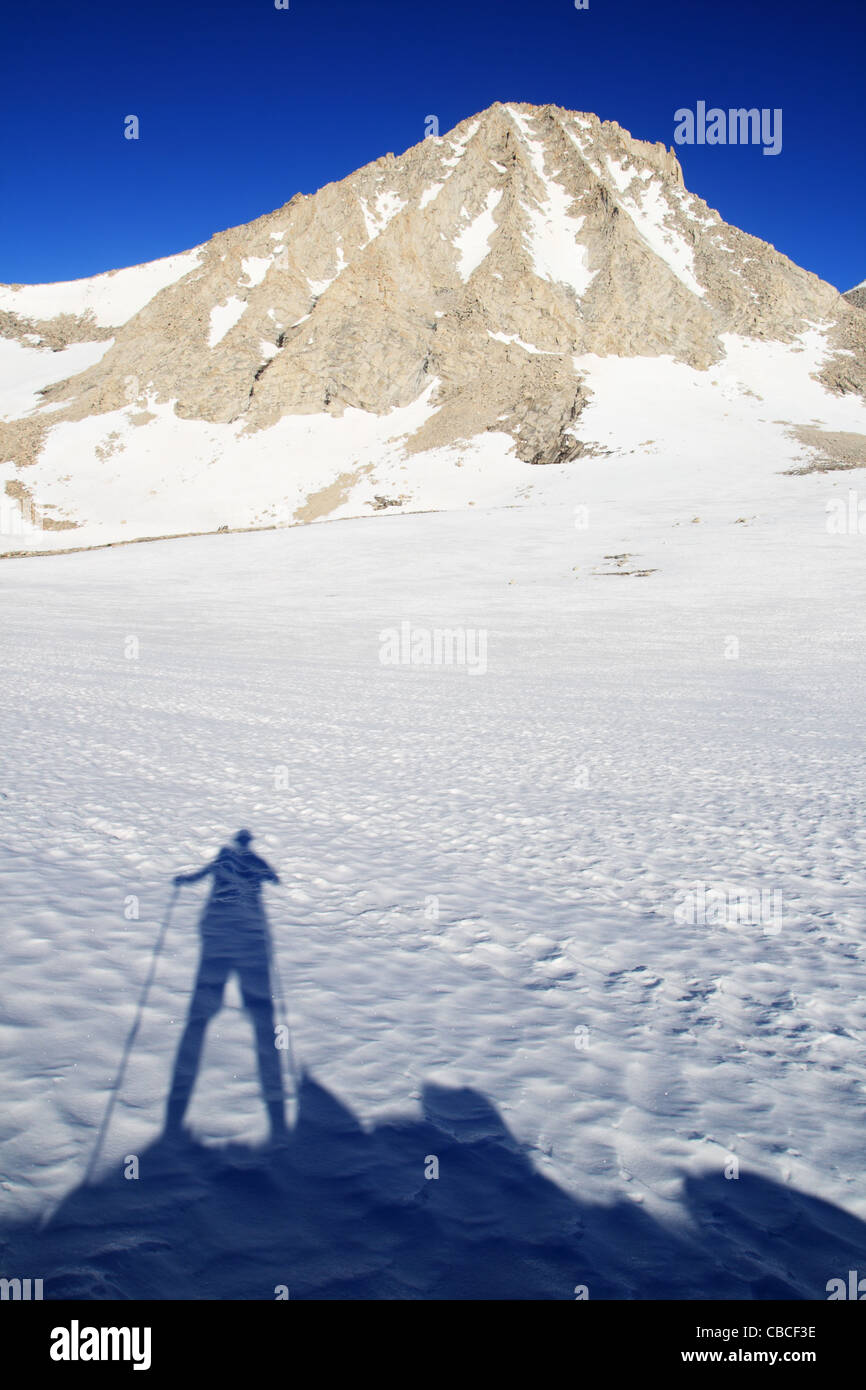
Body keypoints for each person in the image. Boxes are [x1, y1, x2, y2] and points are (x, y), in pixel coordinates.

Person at [165, 830, 287, 1141]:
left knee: (206, 1002)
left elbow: (198, 877)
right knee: (259, 1012)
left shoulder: (222, 860)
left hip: (217, 933)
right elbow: (273, 878)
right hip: (245, 938)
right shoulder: (250, 861)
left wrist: (183, 881)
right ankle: (277, 1123)